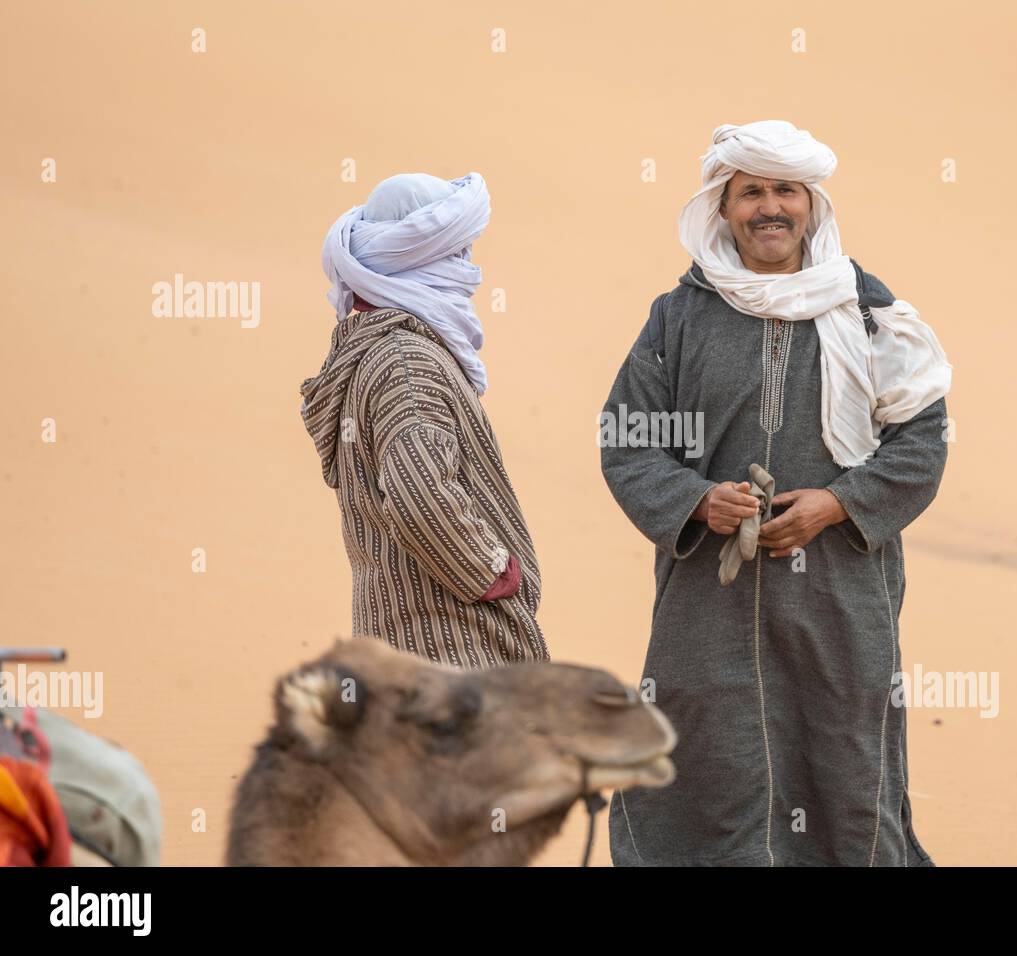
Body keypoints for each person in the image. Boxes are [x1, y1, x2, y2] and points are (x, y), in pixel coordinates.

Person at [600, 120, 952, 865]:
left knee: (843, 758)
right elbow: (628, 441)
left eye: (784, 190)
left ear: (811, 204)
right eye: (749, 192)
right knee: (701, 756)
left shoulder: (867, 310)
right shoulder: (679, 317)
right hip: (706, 602)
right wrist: (696, 500)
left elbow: (924, 443)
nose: (769, 208)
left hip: (838, 593)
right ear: (722, 209)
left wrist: (838, 505)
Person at [300, 173, 546, 666]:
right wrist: (496, 572)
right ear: (426, 259)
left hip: (411, 651)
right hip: (452, 653)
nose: (468, 269)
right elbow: (418, 492)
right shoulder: (407, 363)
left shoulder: (380, 351)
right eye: (458, 254)